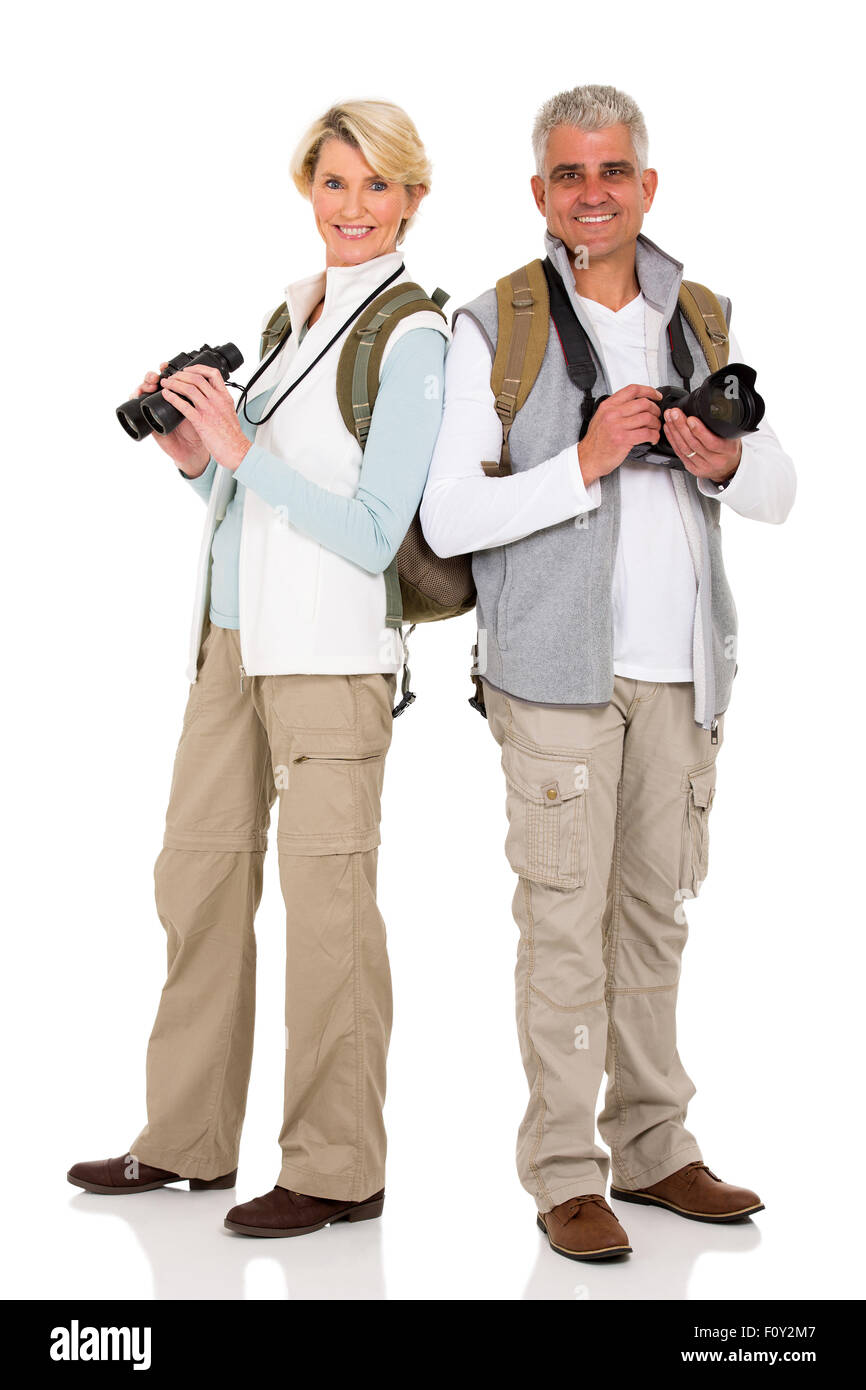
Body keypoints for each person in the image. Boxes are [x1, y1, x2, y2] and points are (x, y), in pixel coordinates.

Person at [421, 84, 795, 1262]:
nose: (594, 193)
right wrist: (584, 458)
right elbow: (446, 513)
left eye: (614, 171)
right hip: (553, 672)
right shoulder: (495, 325)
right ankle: (564, 1170)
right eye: (570, 175)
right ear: (540, 192)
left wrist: (722, 460)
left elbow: (783, 492)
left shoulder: (703, 319)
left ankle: (655, 1148)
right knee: (563, 927)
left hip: (682, 673)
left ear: (646, 185)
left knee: (653, 919)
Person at [68, 100, 448, 1239]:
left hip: (329, 657)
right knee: (196, 885)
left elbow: (376, 528)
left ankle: (337, 1166)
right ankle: (185, 1140)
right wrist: (200, 463)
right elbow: (257, 500)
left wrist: (242, 452)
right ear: (308, 189)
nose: (351, 206)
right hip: (231, 647)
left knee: (325, 910)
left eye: (376, 185)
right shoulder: (287, 326)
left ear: (411, 200)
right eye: (333, 182)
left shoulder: (413, 334)